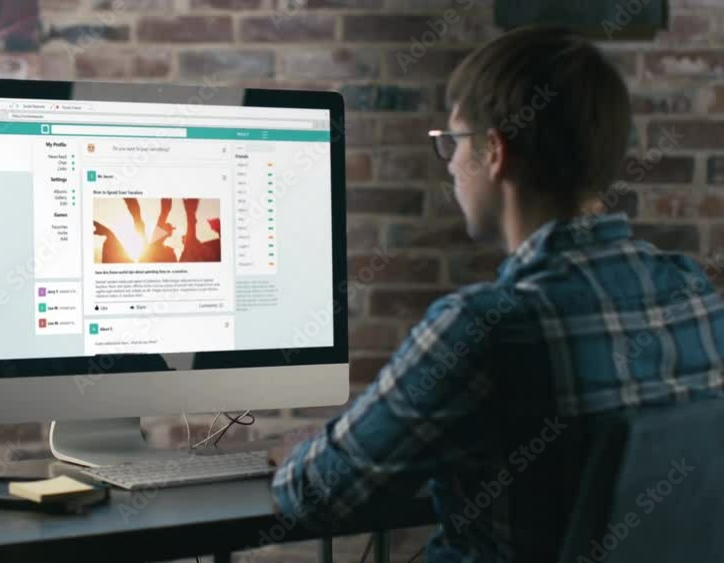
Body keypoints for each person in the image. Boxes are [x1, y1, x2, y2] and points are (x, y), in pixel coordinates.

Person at [269, 26, 724, 563]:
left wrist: (296, 453)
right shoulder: (695, 294)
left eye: (452, 144)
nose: (452, 168)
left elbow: (318, 495)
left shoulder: (483, 327)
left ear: (492, 151)